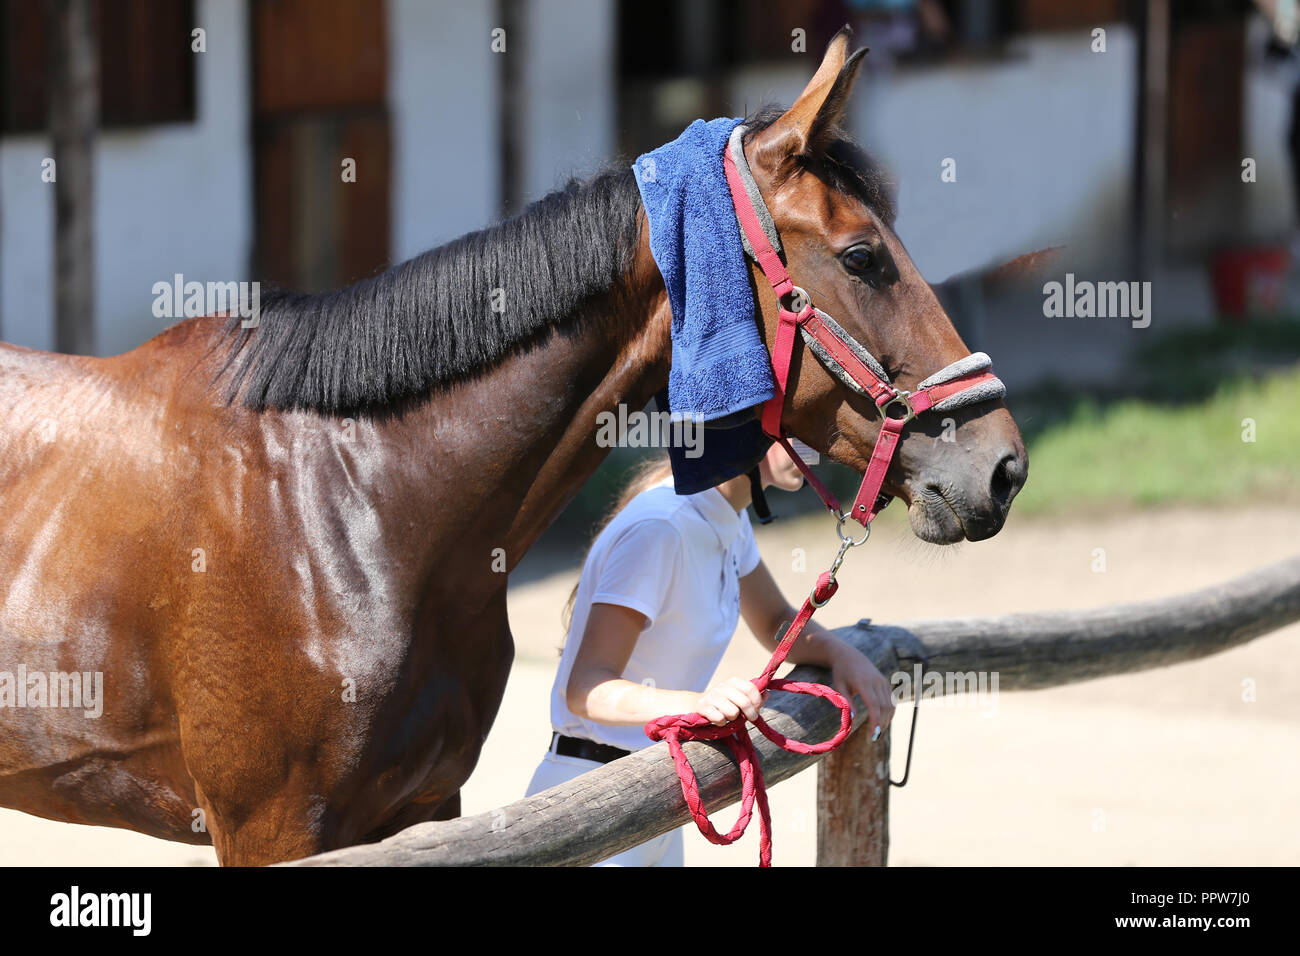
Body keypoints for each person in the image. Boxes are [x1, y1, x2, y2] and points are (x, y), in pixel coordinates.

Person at [524, 442, 896, 866]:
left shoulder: (725, 518)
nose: (818, 445)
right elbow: (586, 688)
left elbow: (774, 618)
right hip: (589, 798)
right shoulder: (662, 526)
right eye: (794, 429)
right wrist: (699, 704)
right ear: (745, 432)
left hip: (656, 789)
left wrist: (843, 653)